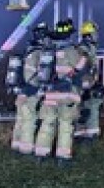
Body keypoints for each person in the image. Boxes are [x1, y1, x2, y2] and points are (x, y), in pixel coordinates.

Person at [33, 19, 89, 166]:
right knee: (65, 125)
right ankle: (63, 158)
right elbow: (82, 67)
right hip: (66, 94)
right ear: (69, 35)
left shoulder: (48, 50)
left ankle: (40, 155)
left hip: (50, 93)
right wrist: (83, 55)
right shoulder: (71, 51)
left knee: (47, 123)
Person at [8, 23, 47, 156]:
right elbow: (41, 74)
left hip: (20, 90)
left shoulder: (27, 50)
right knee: (29, 121)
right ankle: (26, 150)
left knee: (20, 119)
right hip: (31, 91)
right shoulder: (40, 53)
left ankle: (15, 146)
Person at [73, 20, 104, 142]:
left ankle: (89, 134)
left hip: (89, 82)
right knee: (85, 107)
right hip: (83, 83)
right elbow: (82, 66)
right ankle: (82, 134)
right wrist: (86, 85)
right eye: (95, 33)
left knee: (91, 106)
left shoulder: (90, 47)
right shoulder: (83, 48)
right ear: (89, 34)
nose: (97, 35)